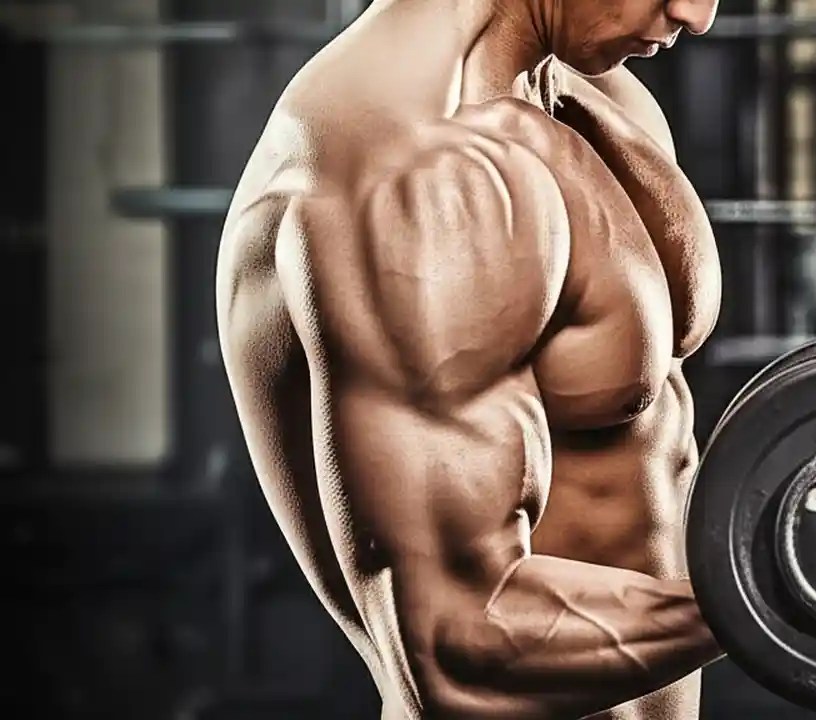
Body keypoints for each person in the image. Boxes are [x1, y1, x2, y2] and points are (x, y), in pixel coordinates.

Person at [215, 0, 725, 717]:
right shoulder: (409, 173)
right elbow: (460, 645)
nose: (696, 15)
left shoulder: (594, 94)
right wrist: (775, 602)